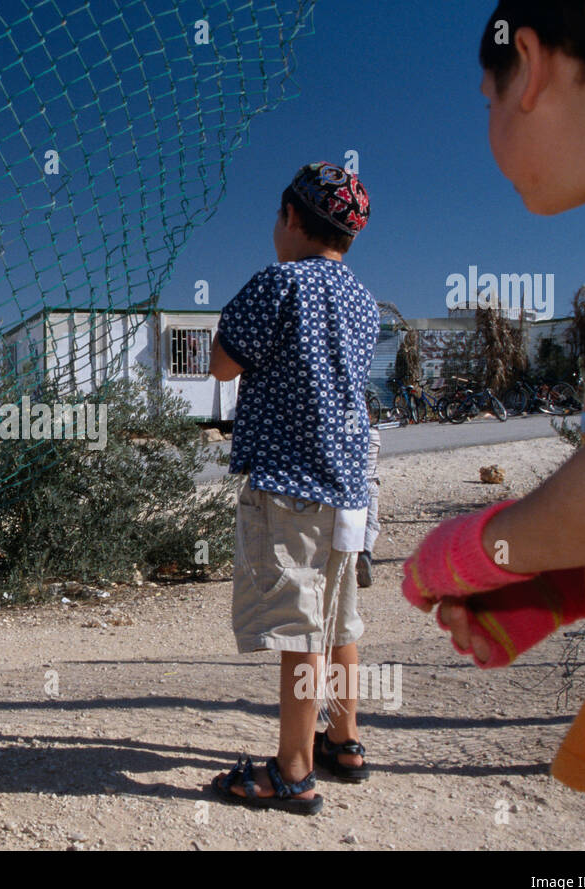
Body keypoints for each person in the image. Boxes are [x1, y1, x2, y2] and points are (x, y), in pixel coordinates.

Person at [404, 1, 585, 850]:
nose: (487, 128)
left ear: (528, 64)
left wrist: (486, 546)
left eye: (484, 99)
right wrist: (563, 583)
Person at [208, 162, 378, 814]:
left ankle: (293, 772)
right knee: (341, 620)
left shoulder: (278, 283)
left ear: (289, 218)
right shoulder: (362, 299)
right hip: (351, 486)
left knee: (299, 630)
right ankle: (346, 739)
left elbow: (224, 362)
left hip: (289, 485)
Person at [357, 425, 381, 588]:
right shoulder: (375, 435)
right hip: (371, 483)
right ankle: (366, 551)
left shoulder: (350, 433)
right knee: (371, 524)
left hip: (353, 484)